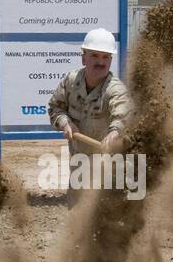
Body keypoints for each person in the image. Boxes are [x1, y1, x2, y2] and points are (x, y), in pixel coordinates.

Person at [48, 27, 130, 201]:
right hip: (79, 163)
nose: (100, 62)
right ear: (84, 57)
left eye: (105, 57)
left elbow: (122, 116)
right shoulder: (70, 82)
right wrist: (65, 122)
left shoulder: (115, 90)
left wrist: (114, 132)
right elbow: (55, 107)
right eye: (95, 55)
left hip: (109, 166)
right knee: (76, 212)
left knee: (106, 216)